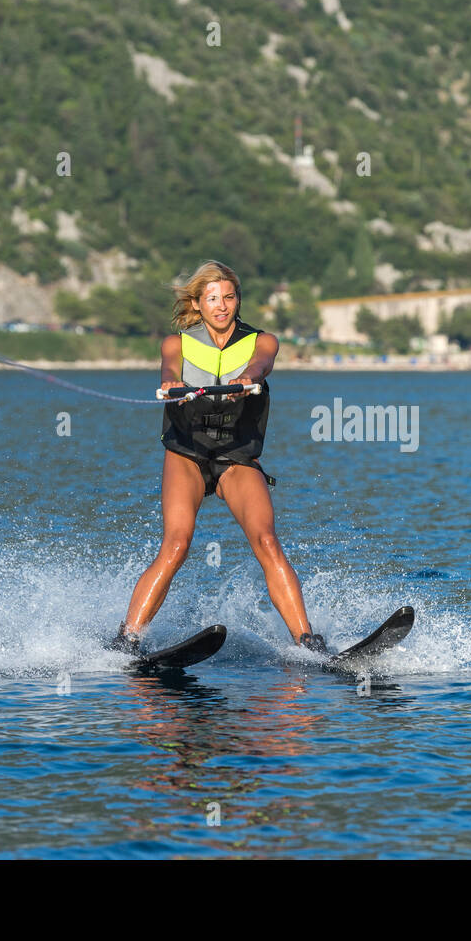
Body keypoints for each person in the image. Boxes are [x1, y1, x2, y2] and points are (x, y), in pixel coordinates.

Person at [113, 260, 325, 653]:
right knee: (177, 544)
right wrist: (172, 383)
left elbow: (262, 363)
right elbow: (168, 370)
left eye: (229, 297)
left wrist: (250, 378)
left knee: (266, 540)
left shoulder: (263, 341)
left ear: (238, 300)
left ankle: (308, 642)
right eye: (212, 298)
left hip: (236, 456)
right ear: (197, 302)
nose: (222, 305)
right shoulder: (176, 343)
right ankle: (126, 640)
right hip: (187, 454)